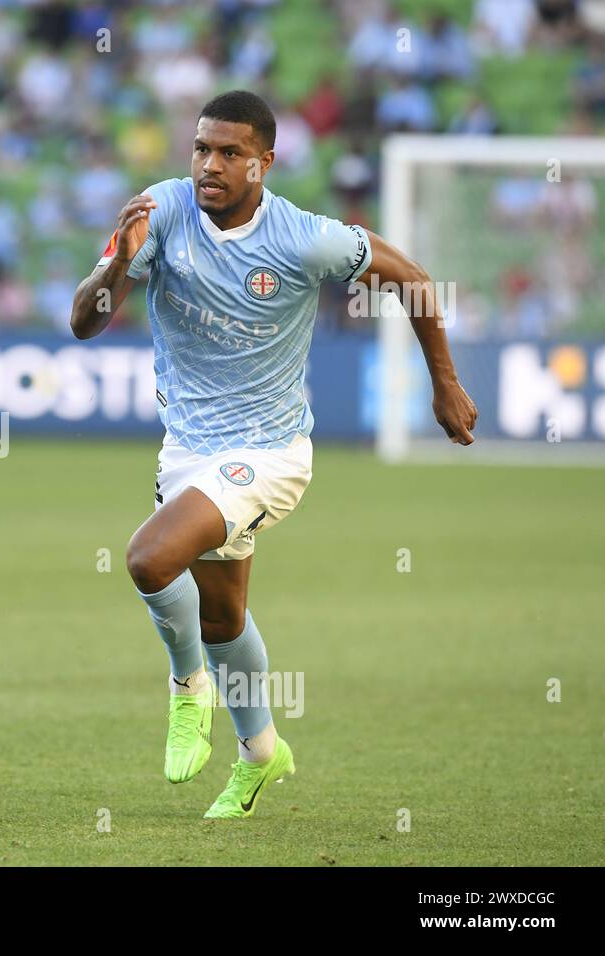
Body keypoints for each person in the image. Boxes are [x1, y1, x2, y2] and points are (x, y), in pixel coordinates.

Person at [70, 90, 477, 819]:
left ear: (264, 163)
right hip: (188, 449)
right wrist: (113, 270)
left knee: (148, 559)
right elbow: (83, 325)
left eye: (230, 153)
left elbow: (412, 281)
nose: (210, 166)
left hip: (271, 451)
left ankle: (186, 692)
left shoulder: (303, 238)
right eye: (201, 149)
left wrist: (443, 384)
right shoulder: (159, 213)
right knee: (223, 619)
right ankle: (260, 754)